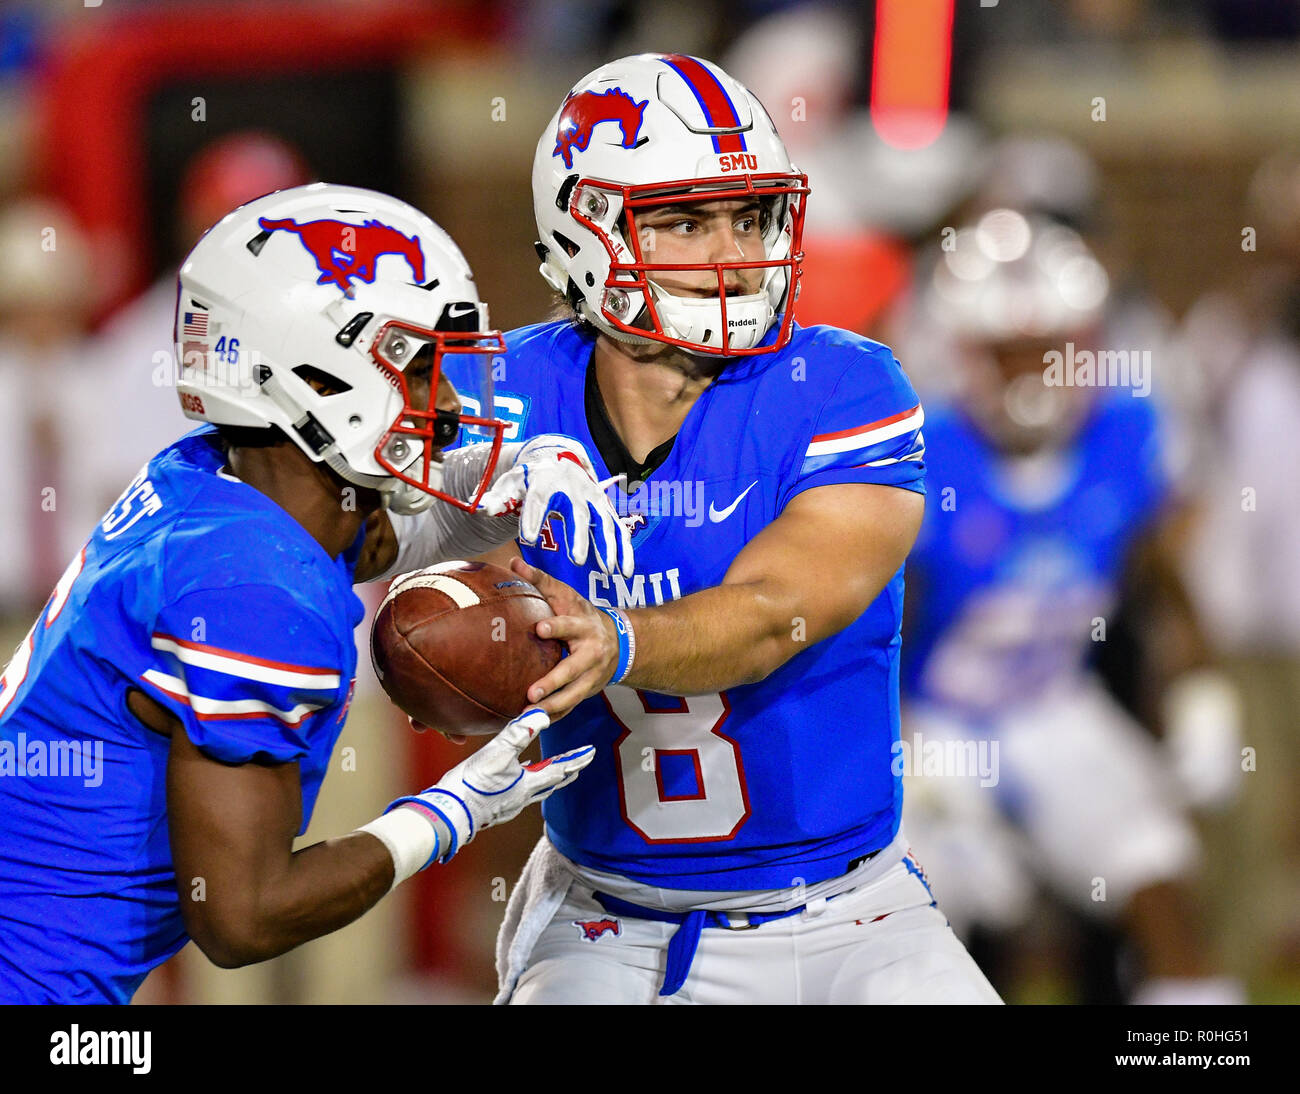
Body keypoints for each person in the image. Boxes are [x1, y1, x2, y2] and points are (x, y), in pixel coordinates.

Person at [0, 183, 631, 1004]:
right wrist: (447, 815)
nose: (448, 401)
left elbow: (355, 539)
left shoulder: (212, 479)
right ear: (318, 380)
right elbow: (243, 919)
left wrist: (496, 493)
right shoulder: (255, 588)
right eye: (417, 365)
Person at [458, 53, 1000, 1004]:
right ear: (584, 235)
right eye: (686, 220)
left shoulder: (840, 386)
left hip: (854, 917)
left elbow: (772, 615)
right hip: (608, 917)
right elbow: (338, 535)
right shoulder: (496, 397)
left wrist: (617, 639)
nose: (731, 250)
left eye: (747, 216)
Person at [897, 208, 1243, 1004]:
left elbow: (1158, 578)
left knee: (1162, 885)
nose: (1029, 373)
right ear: (962, 354)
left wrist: (1199, 689)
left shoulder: (1127, 435)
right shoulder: (921, 457)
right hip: (935, 729)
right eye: (1007, 352)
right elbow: (858, 630)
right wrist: (898, 753)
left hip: (1056, 708)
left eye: (1046, 350)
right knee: (916, 929)